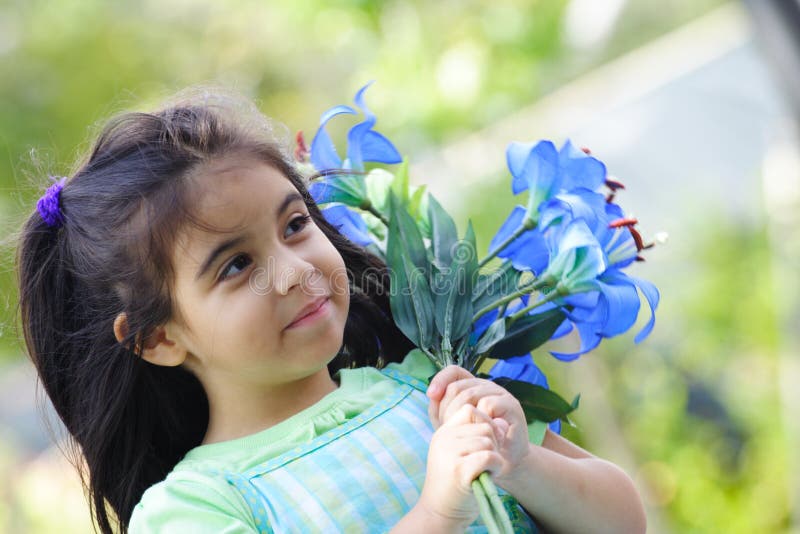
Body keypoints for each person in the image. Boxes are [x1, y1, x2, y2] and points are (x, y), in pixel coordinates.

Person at [16, 90, 647, 534]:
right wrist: (436, 514)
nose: (294, 269)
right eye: (234, 265)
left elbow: (624, 518)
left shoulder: (426, 387)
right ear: (157, 338)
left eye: (294, 224)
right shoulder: (195, 508)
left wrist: (525, 466)